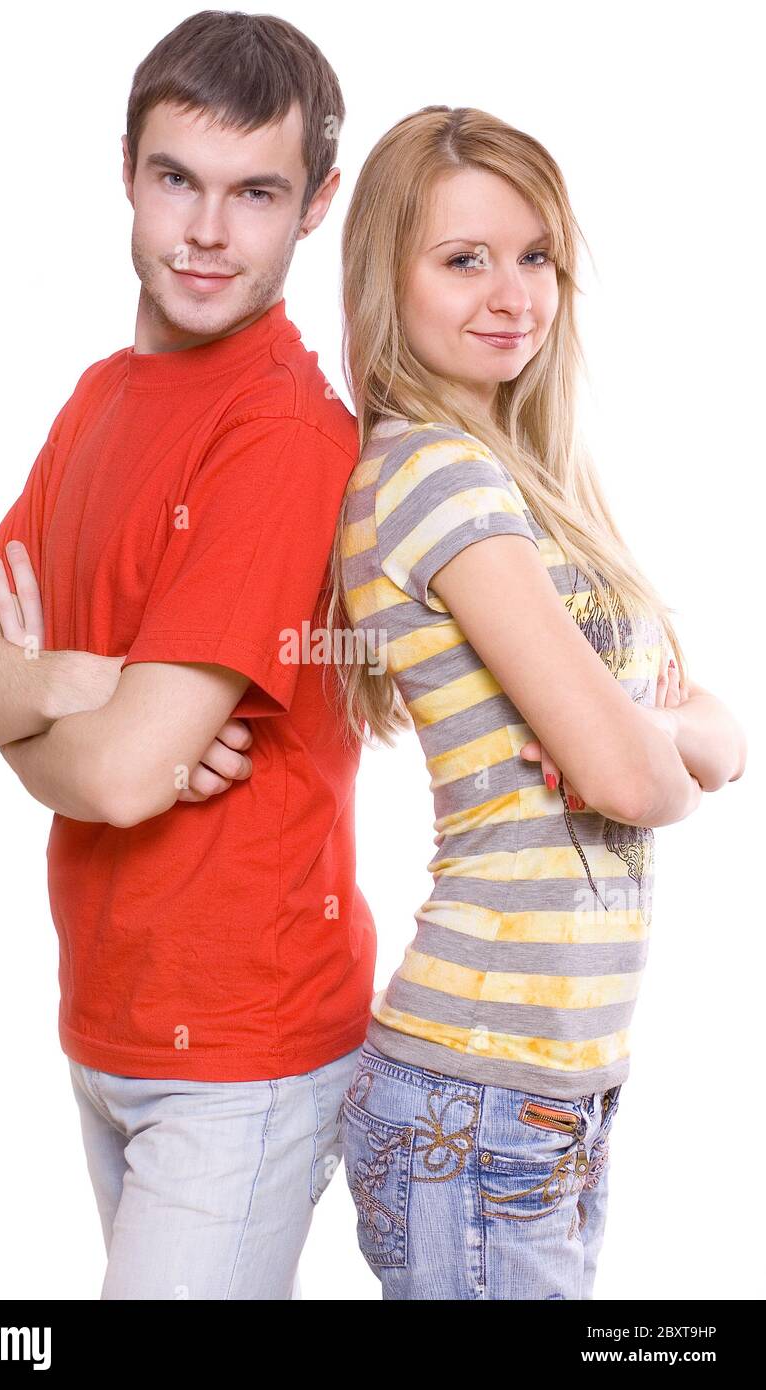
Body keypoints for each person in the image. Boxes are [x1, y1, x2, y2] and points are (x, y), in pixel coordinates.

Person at [0, 11, 375, 1300]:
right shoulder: (97, 398)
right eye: (178, 178)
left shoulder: (279, 436)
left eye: (256, 193)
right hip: (110, 1011)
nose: (208, 231)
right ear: (127, 169)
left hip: (241, 1040)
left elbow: (118, 781)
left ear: (314, 206)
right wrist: (73, 685)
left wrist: (27, 716)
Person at [326, 104, 747, 1299]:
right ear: (385, 279)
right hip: (475, 1094)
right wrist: (649, 743)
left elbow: (710, 731)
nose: (511, 292)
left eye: (534, 256)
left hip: (549, 1089)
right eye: (463, 258)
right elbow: (634, 781)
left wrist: (653, 733)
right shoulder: (431, 475)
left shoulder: (529, 482)